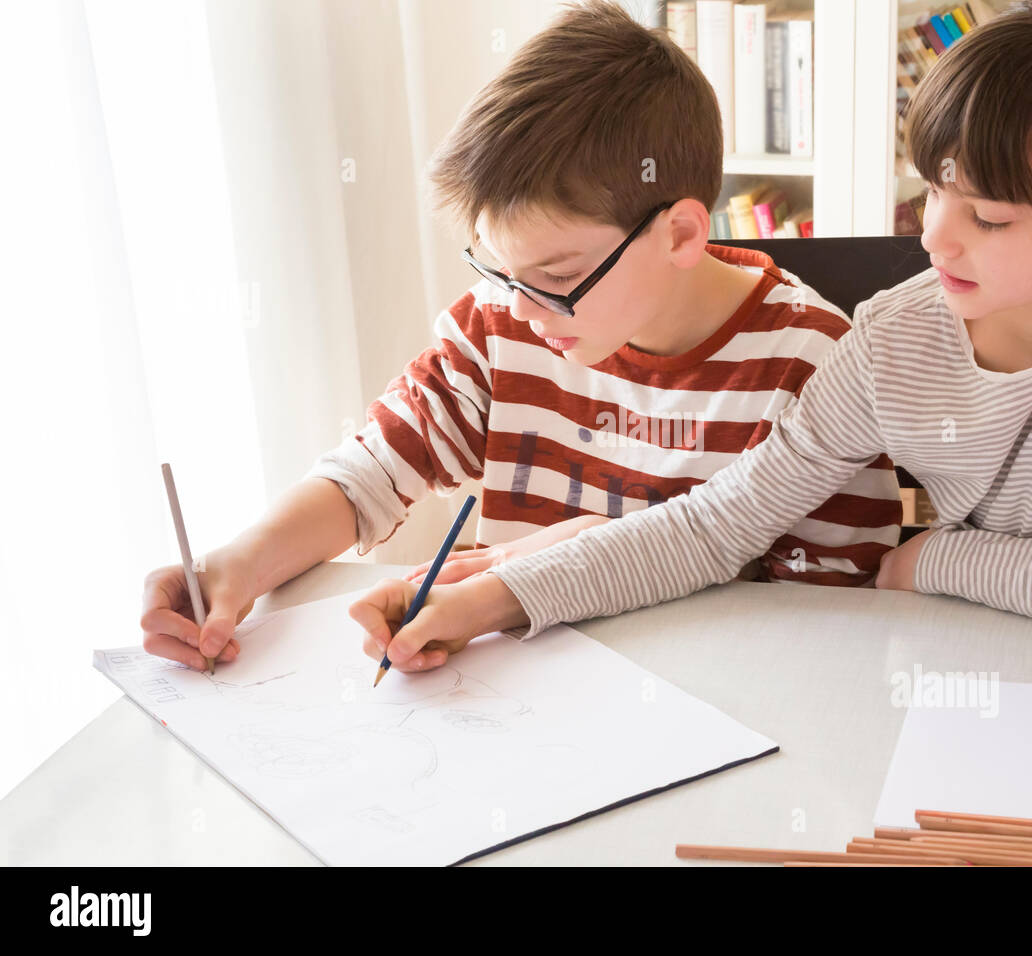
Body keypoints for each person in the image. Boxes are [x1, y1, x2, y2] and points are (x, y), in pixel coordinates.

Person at [352, 0, 1032, 670]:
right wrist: (489, 600)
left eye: (987, 216)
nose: (934, 235)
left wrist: (936, 557)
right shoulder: (896, 334)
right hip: (996, 657)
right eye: (933, 189)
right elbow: (715, 525)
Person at [139, 0, 902, 672]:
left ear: (680, 233)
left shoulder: (807, 365)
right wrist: (236, 567)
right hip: (516, 703)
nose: (523, 308)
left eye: (555, 274)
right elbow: (368, 472)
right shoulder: (502, 321)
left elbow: (833, 617)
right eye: (499, 268)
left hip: (713, 707)